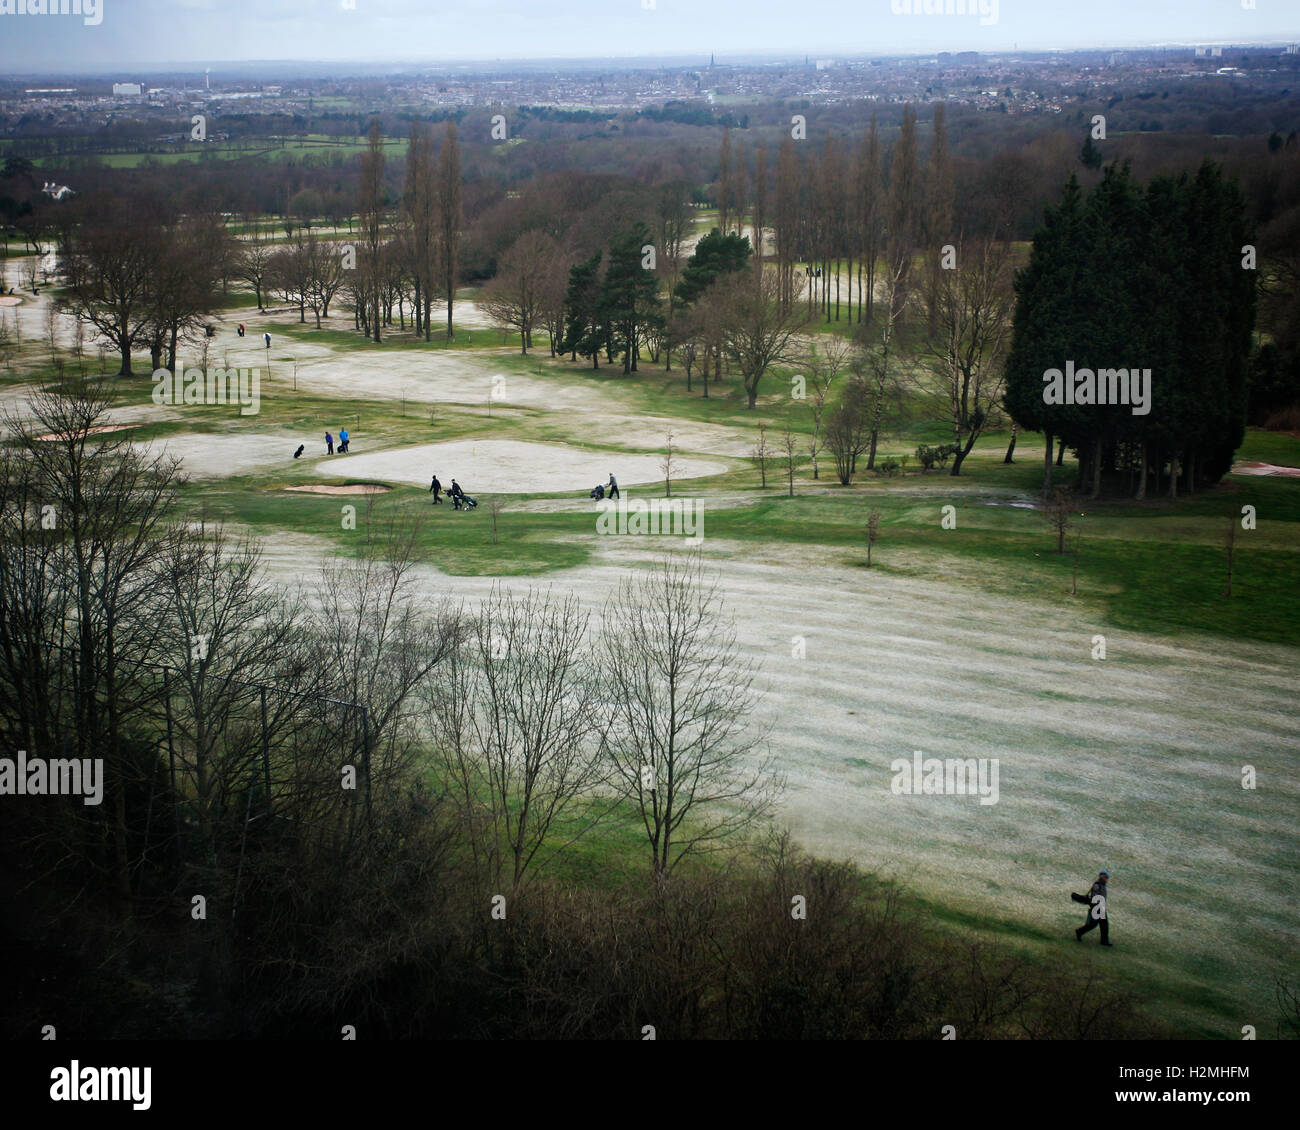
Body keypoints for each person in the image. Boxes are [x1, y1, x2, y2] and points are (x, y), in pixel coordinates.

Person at [1073, 870, 1112, 946]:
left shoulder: (1102, 885)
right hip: (1097, 907)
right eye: (1106, 877)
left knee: (1104, 925)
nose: (1107, 879)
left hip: (1101, 908)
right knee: (1092, 924)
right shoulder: (1097, 885)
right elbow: (1095, 897)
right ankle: (1079, 932)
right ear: (1102, 877)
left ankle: (1104, 941)